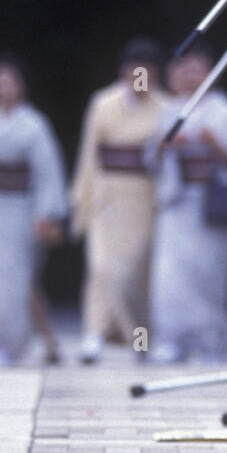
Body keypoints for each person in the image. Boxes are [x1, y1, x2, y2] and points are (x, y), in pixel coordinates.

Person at [147, 49, 227, 363]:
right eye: (183, 70)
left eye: (196, 70)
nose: (189, 76)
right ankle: (171, 340)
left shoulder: (226, 112)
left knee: (210, 274)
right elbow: (151, 156)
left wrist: (215, 144)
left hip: (212, 204)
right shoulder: (169, 110)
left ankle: (210, 342)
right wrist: (165, 145)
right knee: (170, 275)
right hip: (177, 201)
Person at [0, 57, 68, 366]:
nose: (3, 88)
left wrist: (46, 213)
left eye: (10, 82)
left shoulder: (33, 125)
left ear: (21, 86)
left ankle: (10, 345)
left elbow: (47, 173)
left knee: (14, 276)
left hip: (20, 205)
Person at [71, 38, 171, 364]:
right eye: (134, 71)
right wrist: (81, 199)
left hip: (143, 200)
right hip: (107, 197)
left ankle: (139, 342)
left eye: (147, 72)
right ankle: (92, 336)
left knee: (133, 277)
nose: (140, 78)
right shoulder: (102, 103)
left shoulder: (166, 109)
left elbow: (168, 163)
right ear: (124, 72)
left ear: (155, 75)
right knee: (101, 269)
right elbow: (89, 155)